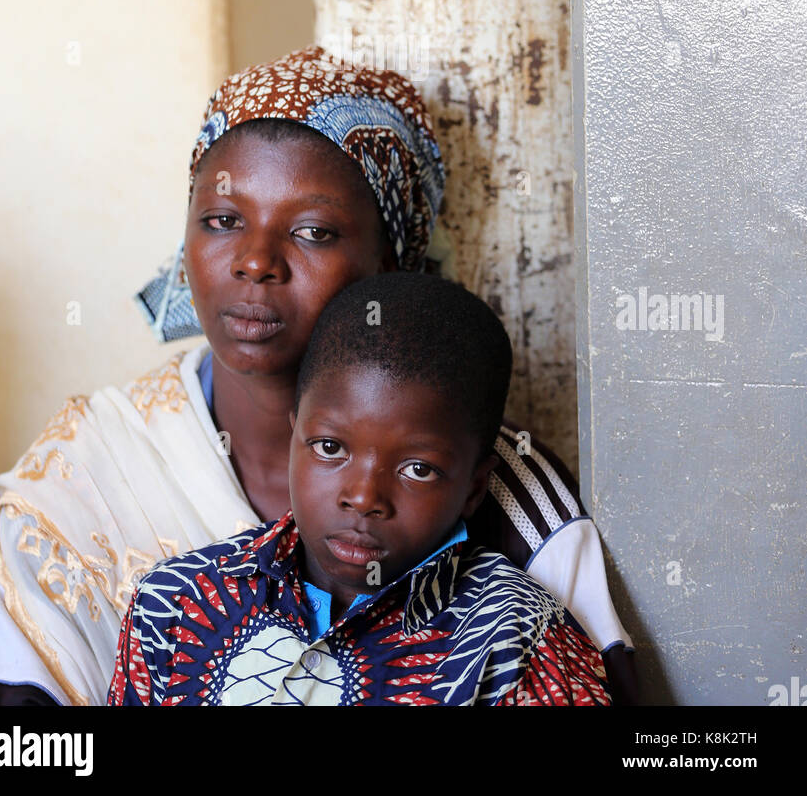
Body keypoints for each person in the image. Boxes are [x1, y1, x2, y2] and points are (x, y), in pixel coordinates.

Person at [0, 46, 635, 705]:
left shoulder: (505, 491)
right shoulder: (86, 468)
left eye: (313, 232)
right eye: (223, 221)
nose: (256, 261)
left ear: (392, 261)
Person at [108, 273, 611, 706]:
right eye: (329, 447)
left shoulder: (515, 638)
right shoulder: (176, 602)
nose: (363, 496)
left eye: (417, 469)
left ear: (475, 487)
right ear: (294, 439)